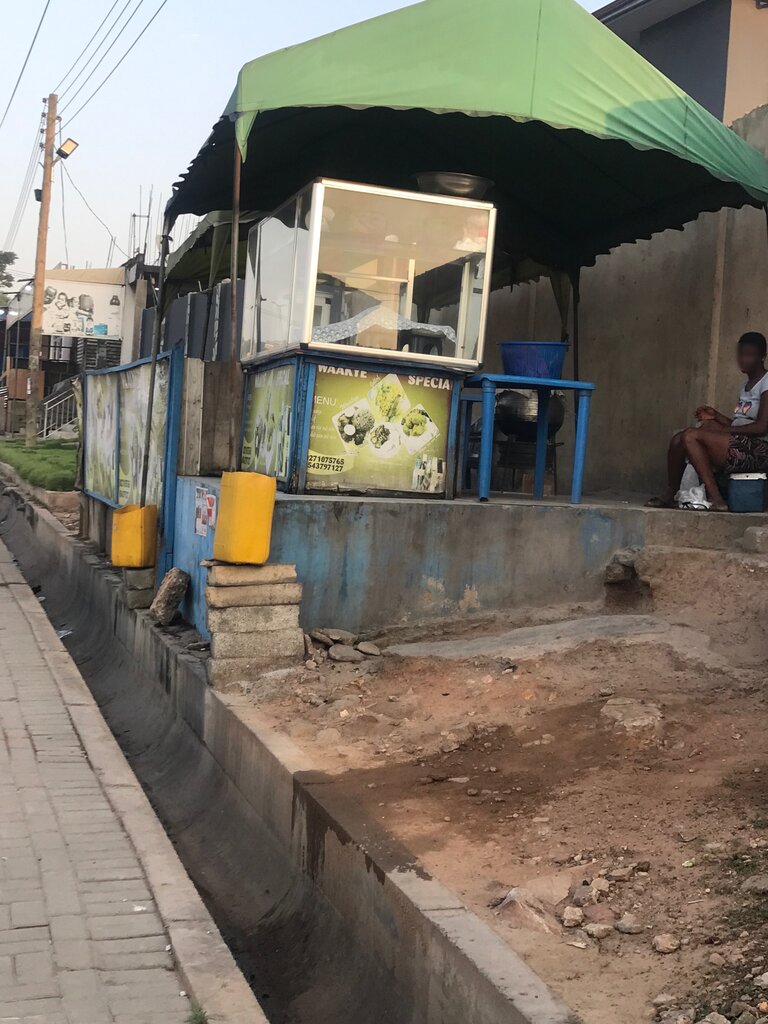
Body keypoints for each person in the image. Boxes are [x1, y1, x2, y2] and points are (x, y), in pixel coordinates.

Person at [648, 331, 768, 512]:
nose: (743, 359)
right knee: (680, 438)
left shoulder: (766, 383)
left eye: (749, 355)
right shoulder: (745, 386)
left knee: (691, 436)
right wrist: (715, 417)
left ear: (762, 357)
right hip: (743, 442)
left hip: (759, 450)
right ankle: (671, 492)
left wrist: (719, 432)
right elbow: (738, 423)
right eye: (741, 354)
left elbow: (761, 427)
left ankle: (717, 499)